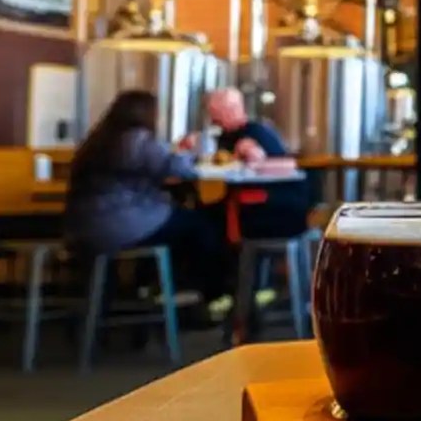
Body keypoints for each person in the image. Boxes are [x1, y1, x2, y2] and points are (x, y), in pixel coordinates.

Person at [66, 90, 225, 300]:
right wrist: (193, 152)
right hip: (119, 226)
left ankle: (148, 287)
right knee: (203, 226)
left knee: (173, 223)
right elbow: (178, 168)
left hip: (81, 228)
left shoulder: (98, 141)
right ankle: (200, 293)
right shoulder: (135, 140)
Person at [196, 88, 310, 239]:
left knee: (209, 221)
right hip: (251, 204)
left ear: (233, 110)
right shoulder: (225, 137)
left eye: (216, 115)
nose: (213, 120)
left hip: (277, 208)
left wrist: (256, 160)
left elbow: (287, 166)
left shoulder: (258, 132)